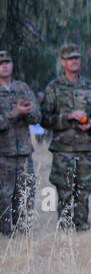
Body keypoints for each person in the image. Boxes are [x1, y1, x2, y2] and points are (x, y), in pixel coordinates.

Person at [41, 43, 91, 230]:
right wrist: (66, 117)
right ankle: (64, 229)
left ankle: (83, 228)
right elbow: (44, 119)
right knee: (64, 191)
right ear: (63, 62)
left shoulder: (89, 86)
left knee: (84, 190)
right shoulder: (54, 87)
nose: (74, 61)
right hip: (63, 150)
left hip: (85, 148)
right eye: (70, 59)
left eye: (77, 58)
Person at [0, 49, 40, 236]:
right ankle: (6, 235)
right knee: (4, 195)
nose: (4, 65)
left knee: (25, 195)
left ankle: (23, 235)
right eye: (1, 63)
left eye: (7, 62)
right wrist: (15, 113)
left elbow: (37, 116)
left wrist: (28, 112)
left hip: (24, 152)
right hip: (3, 153)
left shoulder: (23, 88)